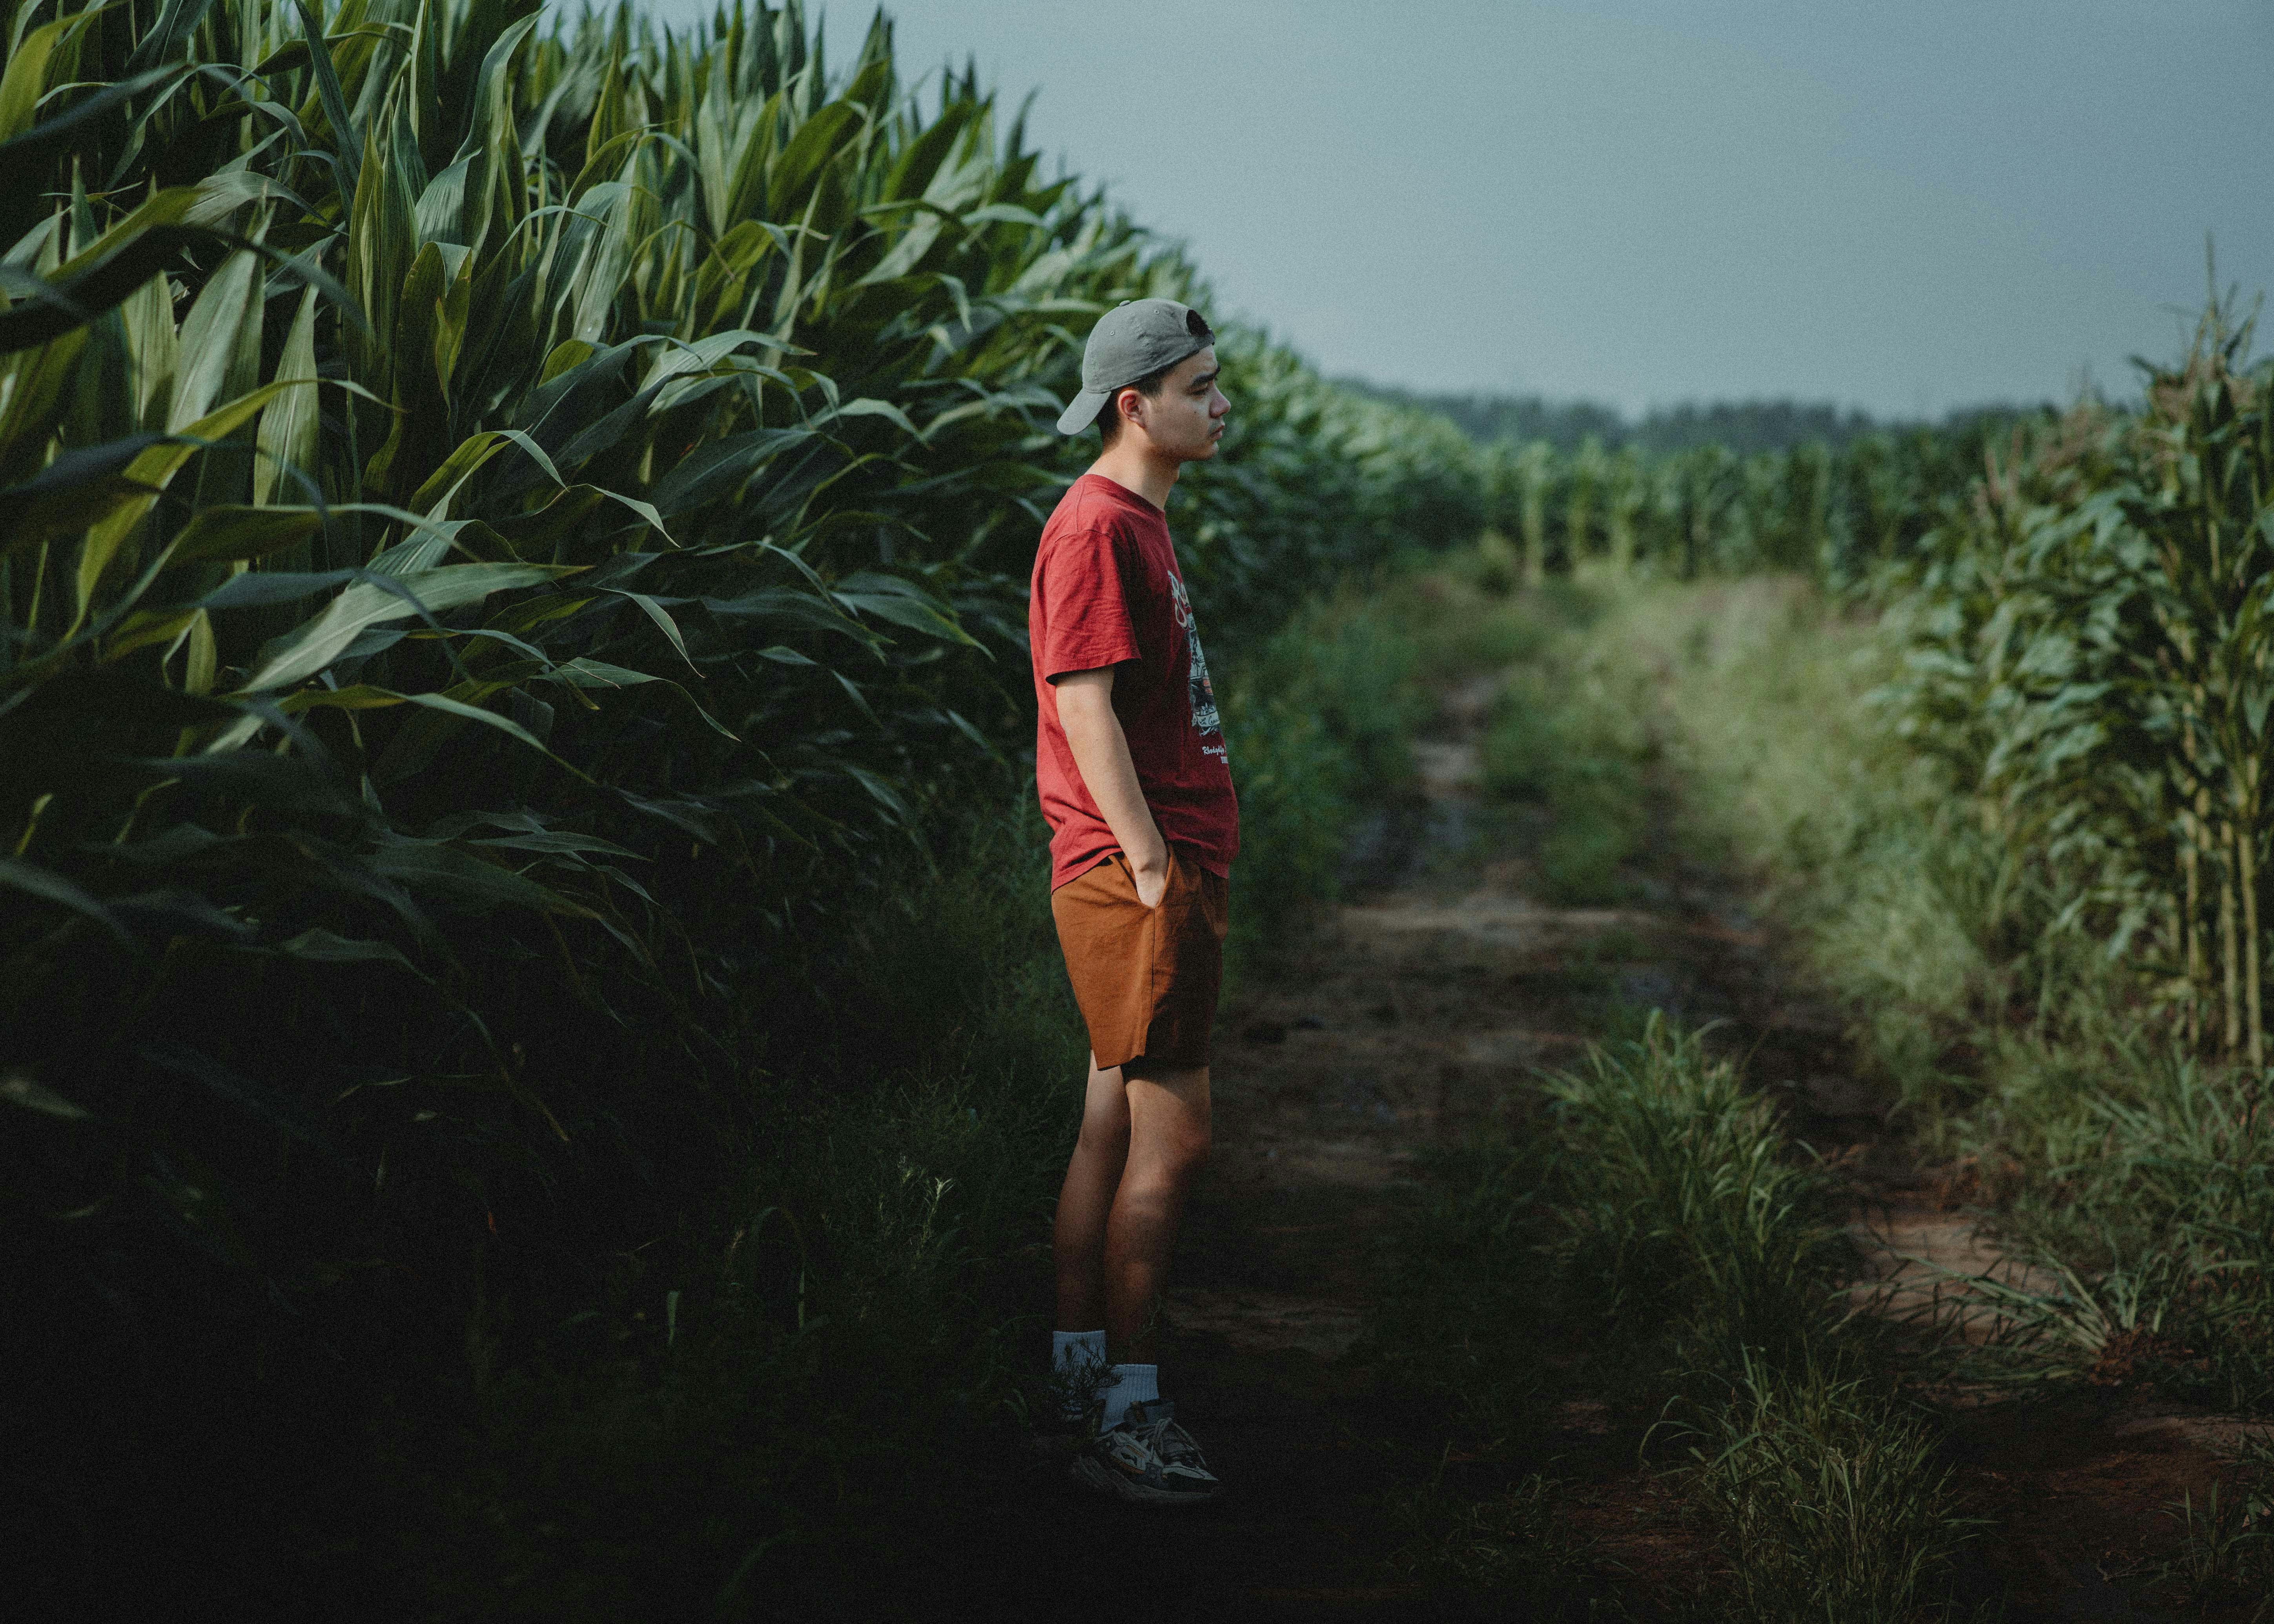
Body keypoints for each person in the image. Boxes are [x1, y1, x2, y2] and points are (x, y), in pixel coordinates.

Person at [1028, 298, 1236, 1505]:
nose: (1219, 406)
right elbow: (1082, 705)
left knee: (1109, 1127)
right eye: (1200, 386)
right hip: (1136, 879)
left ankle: (1076, 1381)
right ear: (1134, 405)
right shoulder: (1098, 527)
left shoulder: (1133, 521)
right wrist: (1155, 867)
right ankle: (1130, 1411)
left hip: (1141, 873)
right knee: (1175, 1139)